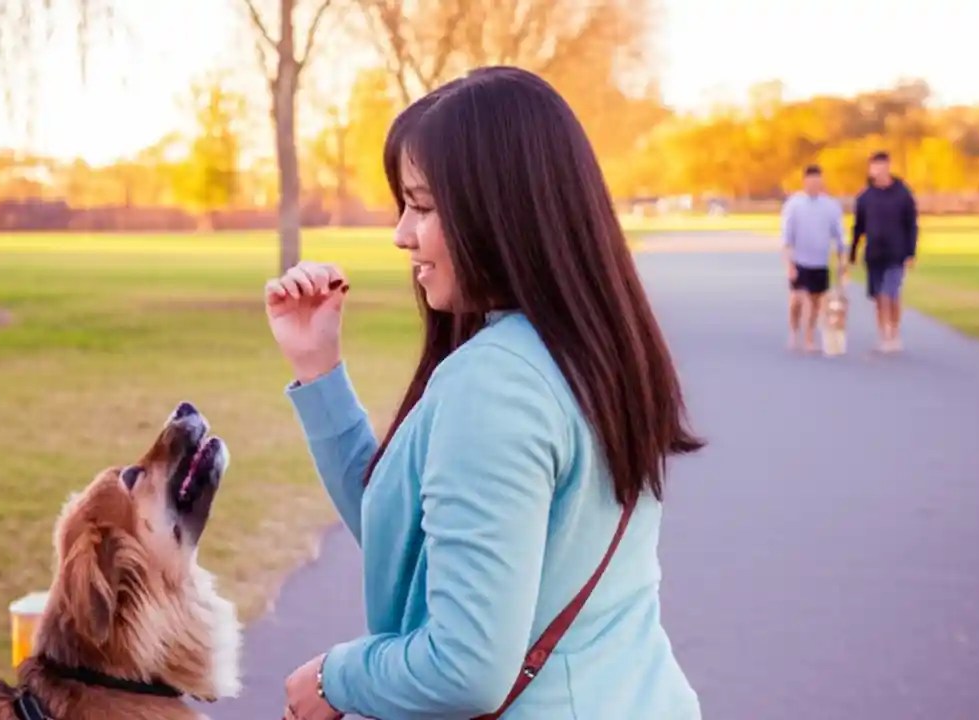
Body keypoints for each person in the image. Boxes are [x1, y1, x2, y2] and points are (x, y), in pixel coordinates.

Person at [265, 67, 705, 720]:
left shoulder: (494, 383)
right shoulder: (592, 351)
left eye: (422, 205)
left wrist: (337, 676)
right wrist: (319, 371)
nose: (401, 233)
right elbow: (413, 536)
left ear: (497, 212)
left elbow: (466, 669)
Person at [850, 151, 918, 352]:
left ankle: (894, 333)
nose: (877, 171)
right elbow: (859, 227)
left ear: (888, 167)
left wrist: (911, 253)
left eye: (881, 166)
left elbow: (911, 224)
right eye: (874, 167)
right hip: (874, 254)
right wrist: (853, 252)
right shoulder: (865, 197)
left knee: (891, 293)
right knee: (879, 296)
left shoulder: (903, 193)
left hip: (896, 253)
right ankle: (883, 335)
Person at [780, 164, 846, 352]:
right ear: (804, 182)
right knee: (796, 300)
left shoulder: (831, 206)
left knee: (816, 302)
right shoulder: (794, 204)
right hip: (799, 260)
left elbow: (839, 236)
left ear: (822, 182)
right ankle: (794, 331)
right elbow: (786, 237)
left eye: (818, 181)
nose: (814, 185)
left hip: (820, 261)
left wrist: (842, 260)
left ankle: (809, 336)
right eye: (811, 181)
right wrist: (789, 264)